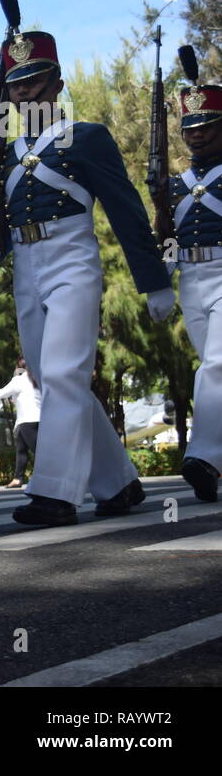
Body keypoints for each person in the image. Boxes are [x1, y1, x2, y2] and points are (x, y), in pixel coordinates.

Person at [0, 30, 175, 526]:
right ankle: (119, 483)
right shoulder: (5, 153)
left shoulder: (87, 137)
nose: (24, 92)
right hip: (27, 267)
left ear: (57, 83)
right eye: (16, 84)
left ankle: (55, 494)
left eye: (34, 80)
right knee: (52, 376)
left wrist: (153, 279)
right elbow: (0, 224)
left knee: (62, 373)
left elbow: (125, 211)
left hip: (72, 258)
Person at [169, 77, 222, 502]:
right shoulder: (173, 186)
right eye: (191, 127)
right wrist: (162, 274)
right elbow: (168, 239)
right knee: (211, 364)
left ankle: (203, 457)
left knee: (216, 366)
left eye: (207, 124)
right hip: (191, 278)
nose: (198, 133)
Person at [0, 356, 41, 488]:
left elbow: (2, 393)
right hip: (34, 420)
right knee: (21, 449)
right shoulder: (37, 379)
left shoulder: (19, 380)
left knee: (39, 452)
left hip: (28, 420)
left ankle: (46, 479)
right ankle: (18, 478)